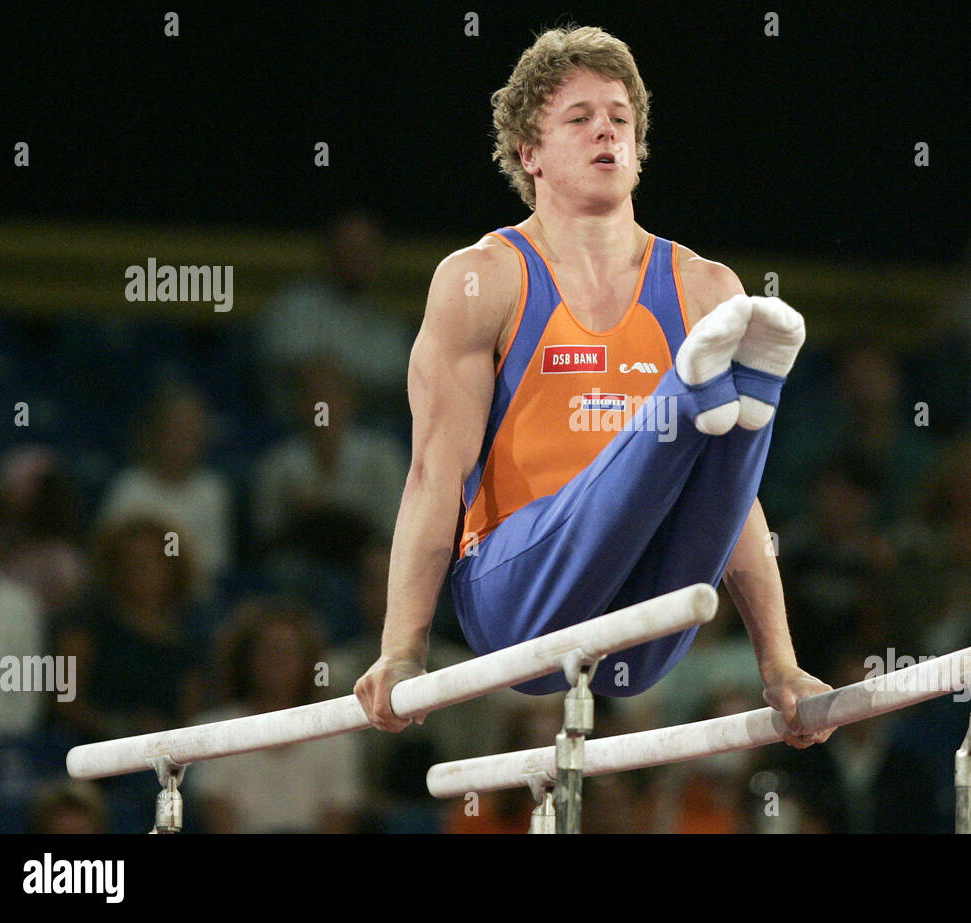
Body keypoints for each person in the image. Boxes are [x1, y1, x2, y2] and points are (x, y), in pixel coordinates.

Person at [355, 25, 832, 749]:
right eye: (579, 118)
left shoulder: (703, 287)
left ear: (638, 147)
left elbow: (737, 508)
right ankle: (695, 398)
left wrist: (782, 664)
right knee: (672, 430)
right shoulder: (486, 279)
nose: (605, 131)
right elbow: (431, 474)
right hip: (516, 602)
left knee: (722, 461)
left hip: (641, 633)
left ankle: (733, 413)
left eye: (620, 119)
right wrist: (402, 649)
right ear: (529, 152)